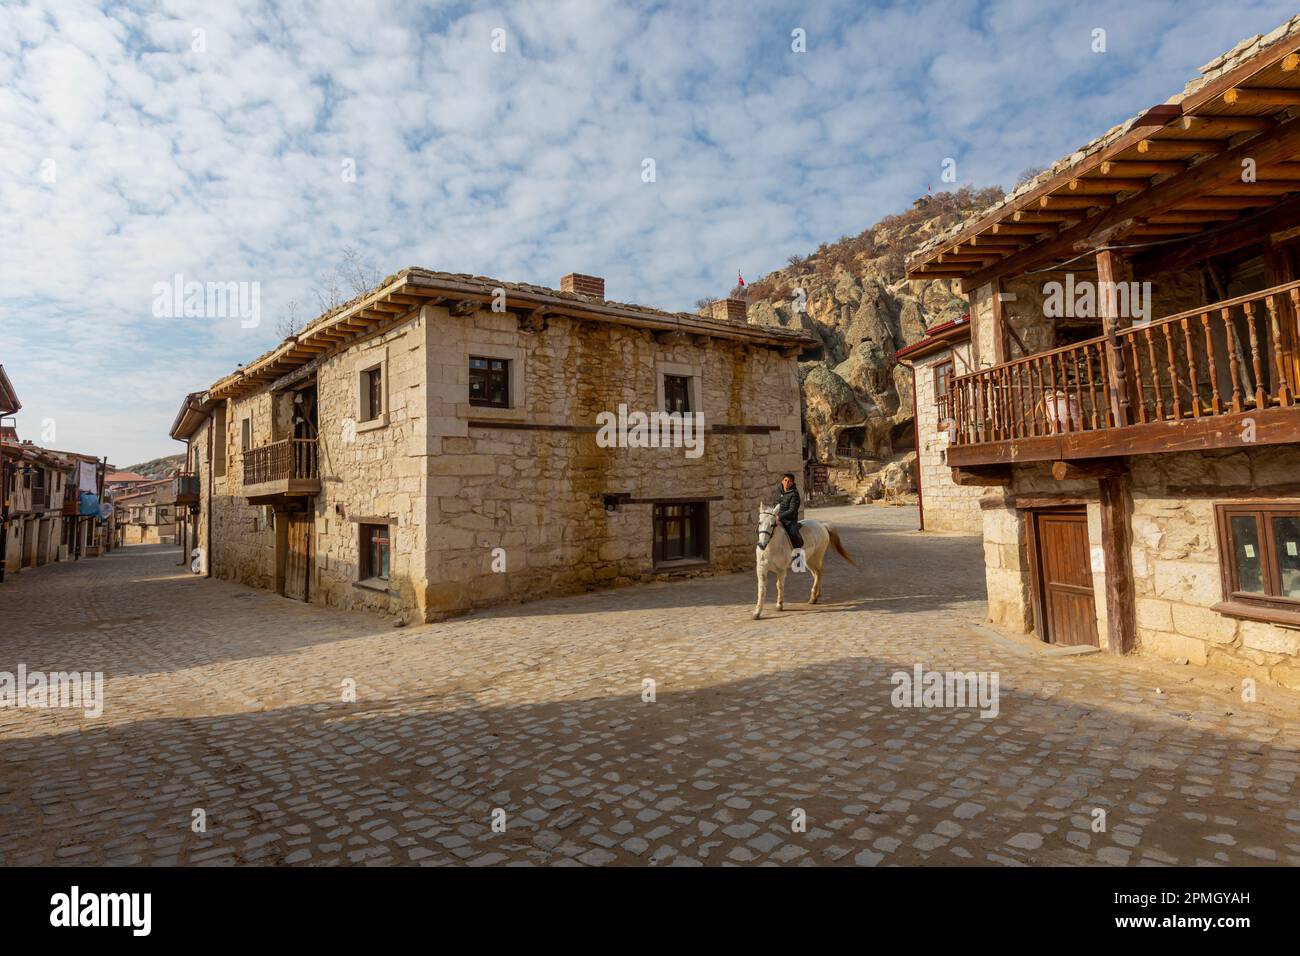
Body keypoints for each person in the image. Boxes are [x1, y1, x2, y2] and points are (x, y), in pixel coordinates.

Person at [773, 472, 803, 550]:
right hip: (777, 517)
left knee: (793, 533)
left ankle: (798, 553)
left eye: (789, 481)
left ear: (792, 483)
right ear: (782, 481)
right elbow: (775, 503)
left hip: (789, 520)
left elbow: (792, 510)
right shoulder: (779, 491)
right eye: (785, 480)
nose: (787, 483)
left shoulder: (794, 494)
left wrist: (779, 517)